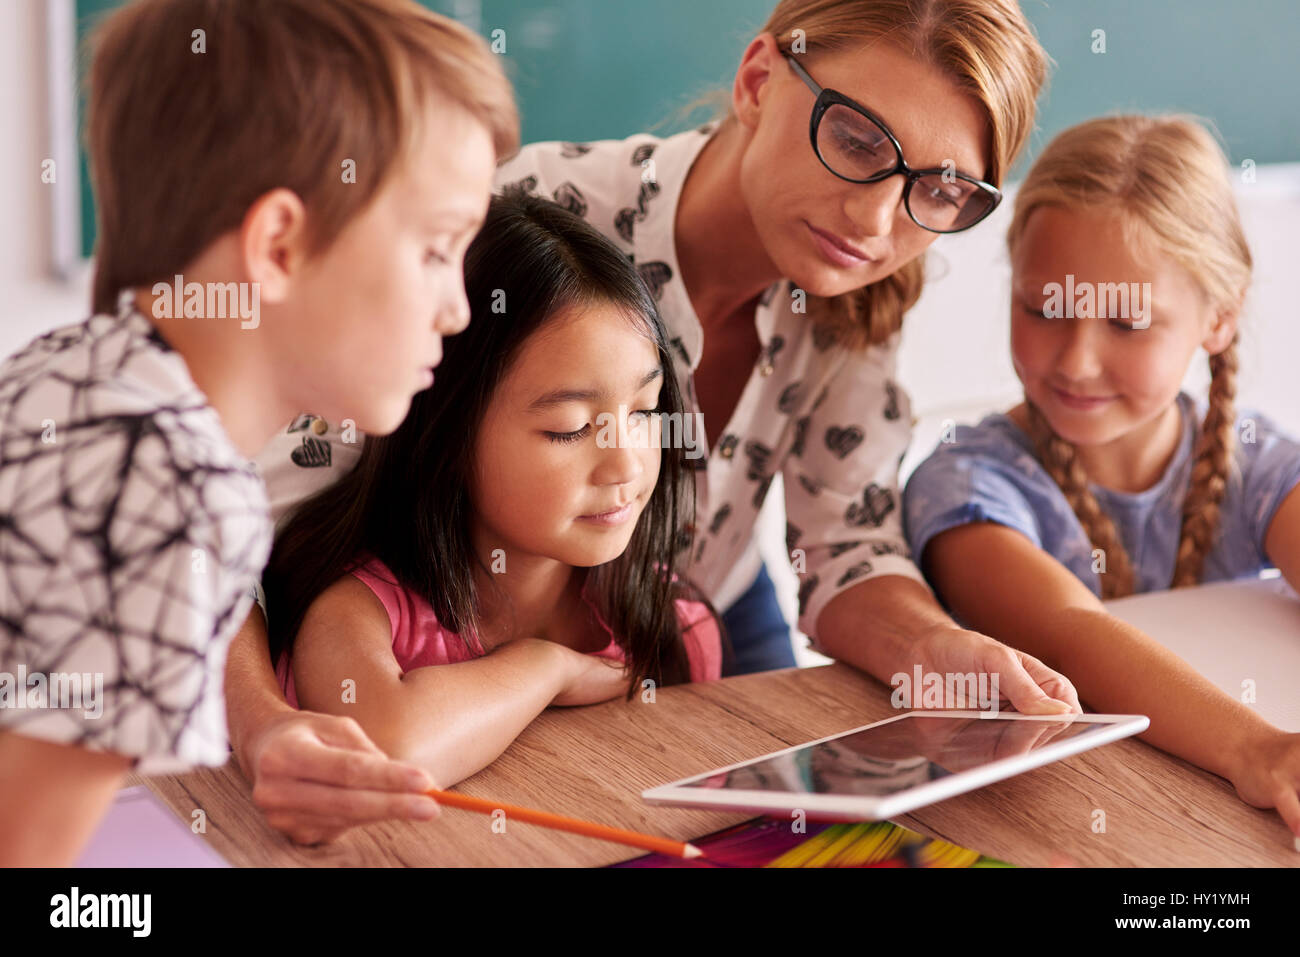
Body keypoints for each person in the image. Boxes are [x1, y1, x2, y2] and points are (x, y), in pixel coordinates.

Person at [232, 0, 1081, 845]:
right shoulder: (517, 219)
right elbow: (239, 521)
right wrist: (265, 724)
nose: (875, 221)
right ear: (758, 81)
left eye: (937, 188)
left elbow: (845, 547)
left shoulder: (861, 294)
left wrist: (937, 646)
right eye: (858, 141)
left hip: (671, 611)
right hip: (456, 618)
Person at [0, 0, 517, 864]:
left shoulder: (72, 370)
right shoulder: (175, 486)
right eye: (435, 251)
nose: (459, 307)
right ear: (277, 245)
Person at [904, 114, 1300, 836]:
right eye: (1043, 308)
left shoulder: (1261, 462)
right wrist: (1259, 749)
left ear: (1219, 317)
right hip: (1033, 827)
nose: (1076, 360)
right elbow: (1070, 635)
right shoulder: (964, 482)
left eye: (1125, 323)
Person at [263, 194, 722, 787]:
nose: (625, 465)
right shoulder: (362, 614)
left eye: (642, 411)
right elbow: (386, 750)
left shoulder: (672, 628)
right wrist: (545, 667)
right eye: (571, 428)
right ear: (448, 434)